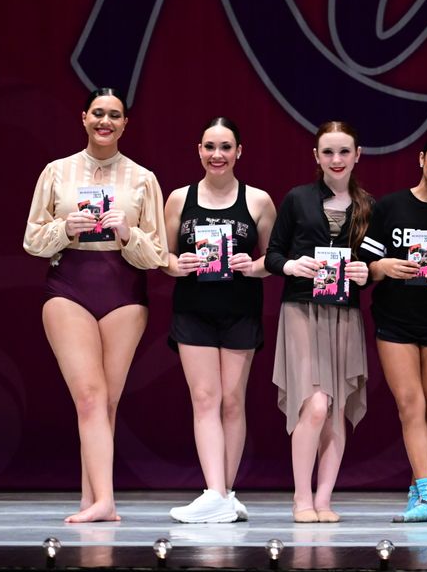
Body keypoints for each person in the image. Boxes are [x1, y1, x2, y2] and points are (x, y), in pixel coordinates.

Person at [24, 87, 167, 523]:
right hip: (69, 284)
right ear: (84, 117)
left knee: (105, 402)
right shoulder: (56, 172)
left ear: (126, 124)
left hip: (123, 290)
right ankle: (105, 502)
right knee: (88, 396)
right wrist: (66, 227)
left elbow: (157, 254)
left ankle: (93, 498)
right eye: (98, 113)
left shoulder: (143, 178)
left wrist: (128, 234)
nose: (106, 121)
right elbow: (32, 239)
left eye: (115, 116)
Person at [162, 117, 275, 524]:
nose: (217, 155)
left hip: (240, 309)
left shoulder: (259, 201)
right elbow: (165, 257)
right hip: (193, 309)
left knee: (231, 401)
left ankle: (225, 493)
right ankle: (215, 492)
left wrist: (253, 264)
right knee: (205, 398)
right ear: (199, 150)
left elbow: (272, 260)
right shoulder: (179, 198)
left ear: (239, 151)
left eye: (225, 147)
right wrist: (178, 265)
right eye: (210, 146)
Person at [263, 121, 374, 523]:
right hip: (301, 310)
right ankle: (301, 498)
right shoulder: (297, 199)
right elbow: (273, 255)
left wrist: (366, 272)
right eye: (328, 152)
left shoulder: (367, 206)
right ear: (316, 156)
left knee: (337, 406)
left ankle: (324, 499)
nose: (337, 160)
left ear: (358, 155)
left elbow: (373, 262)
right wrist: (293, 264)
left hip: (344, 314)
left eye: (344, 151)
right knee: (314, 404)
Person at [358, 131, 427, 522]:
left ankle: (421, 490)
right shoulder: (390, 206)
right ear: (421, 158)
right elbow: (362, 267)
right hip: (396, 319)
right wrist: (381, 268)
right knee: (411, 405)